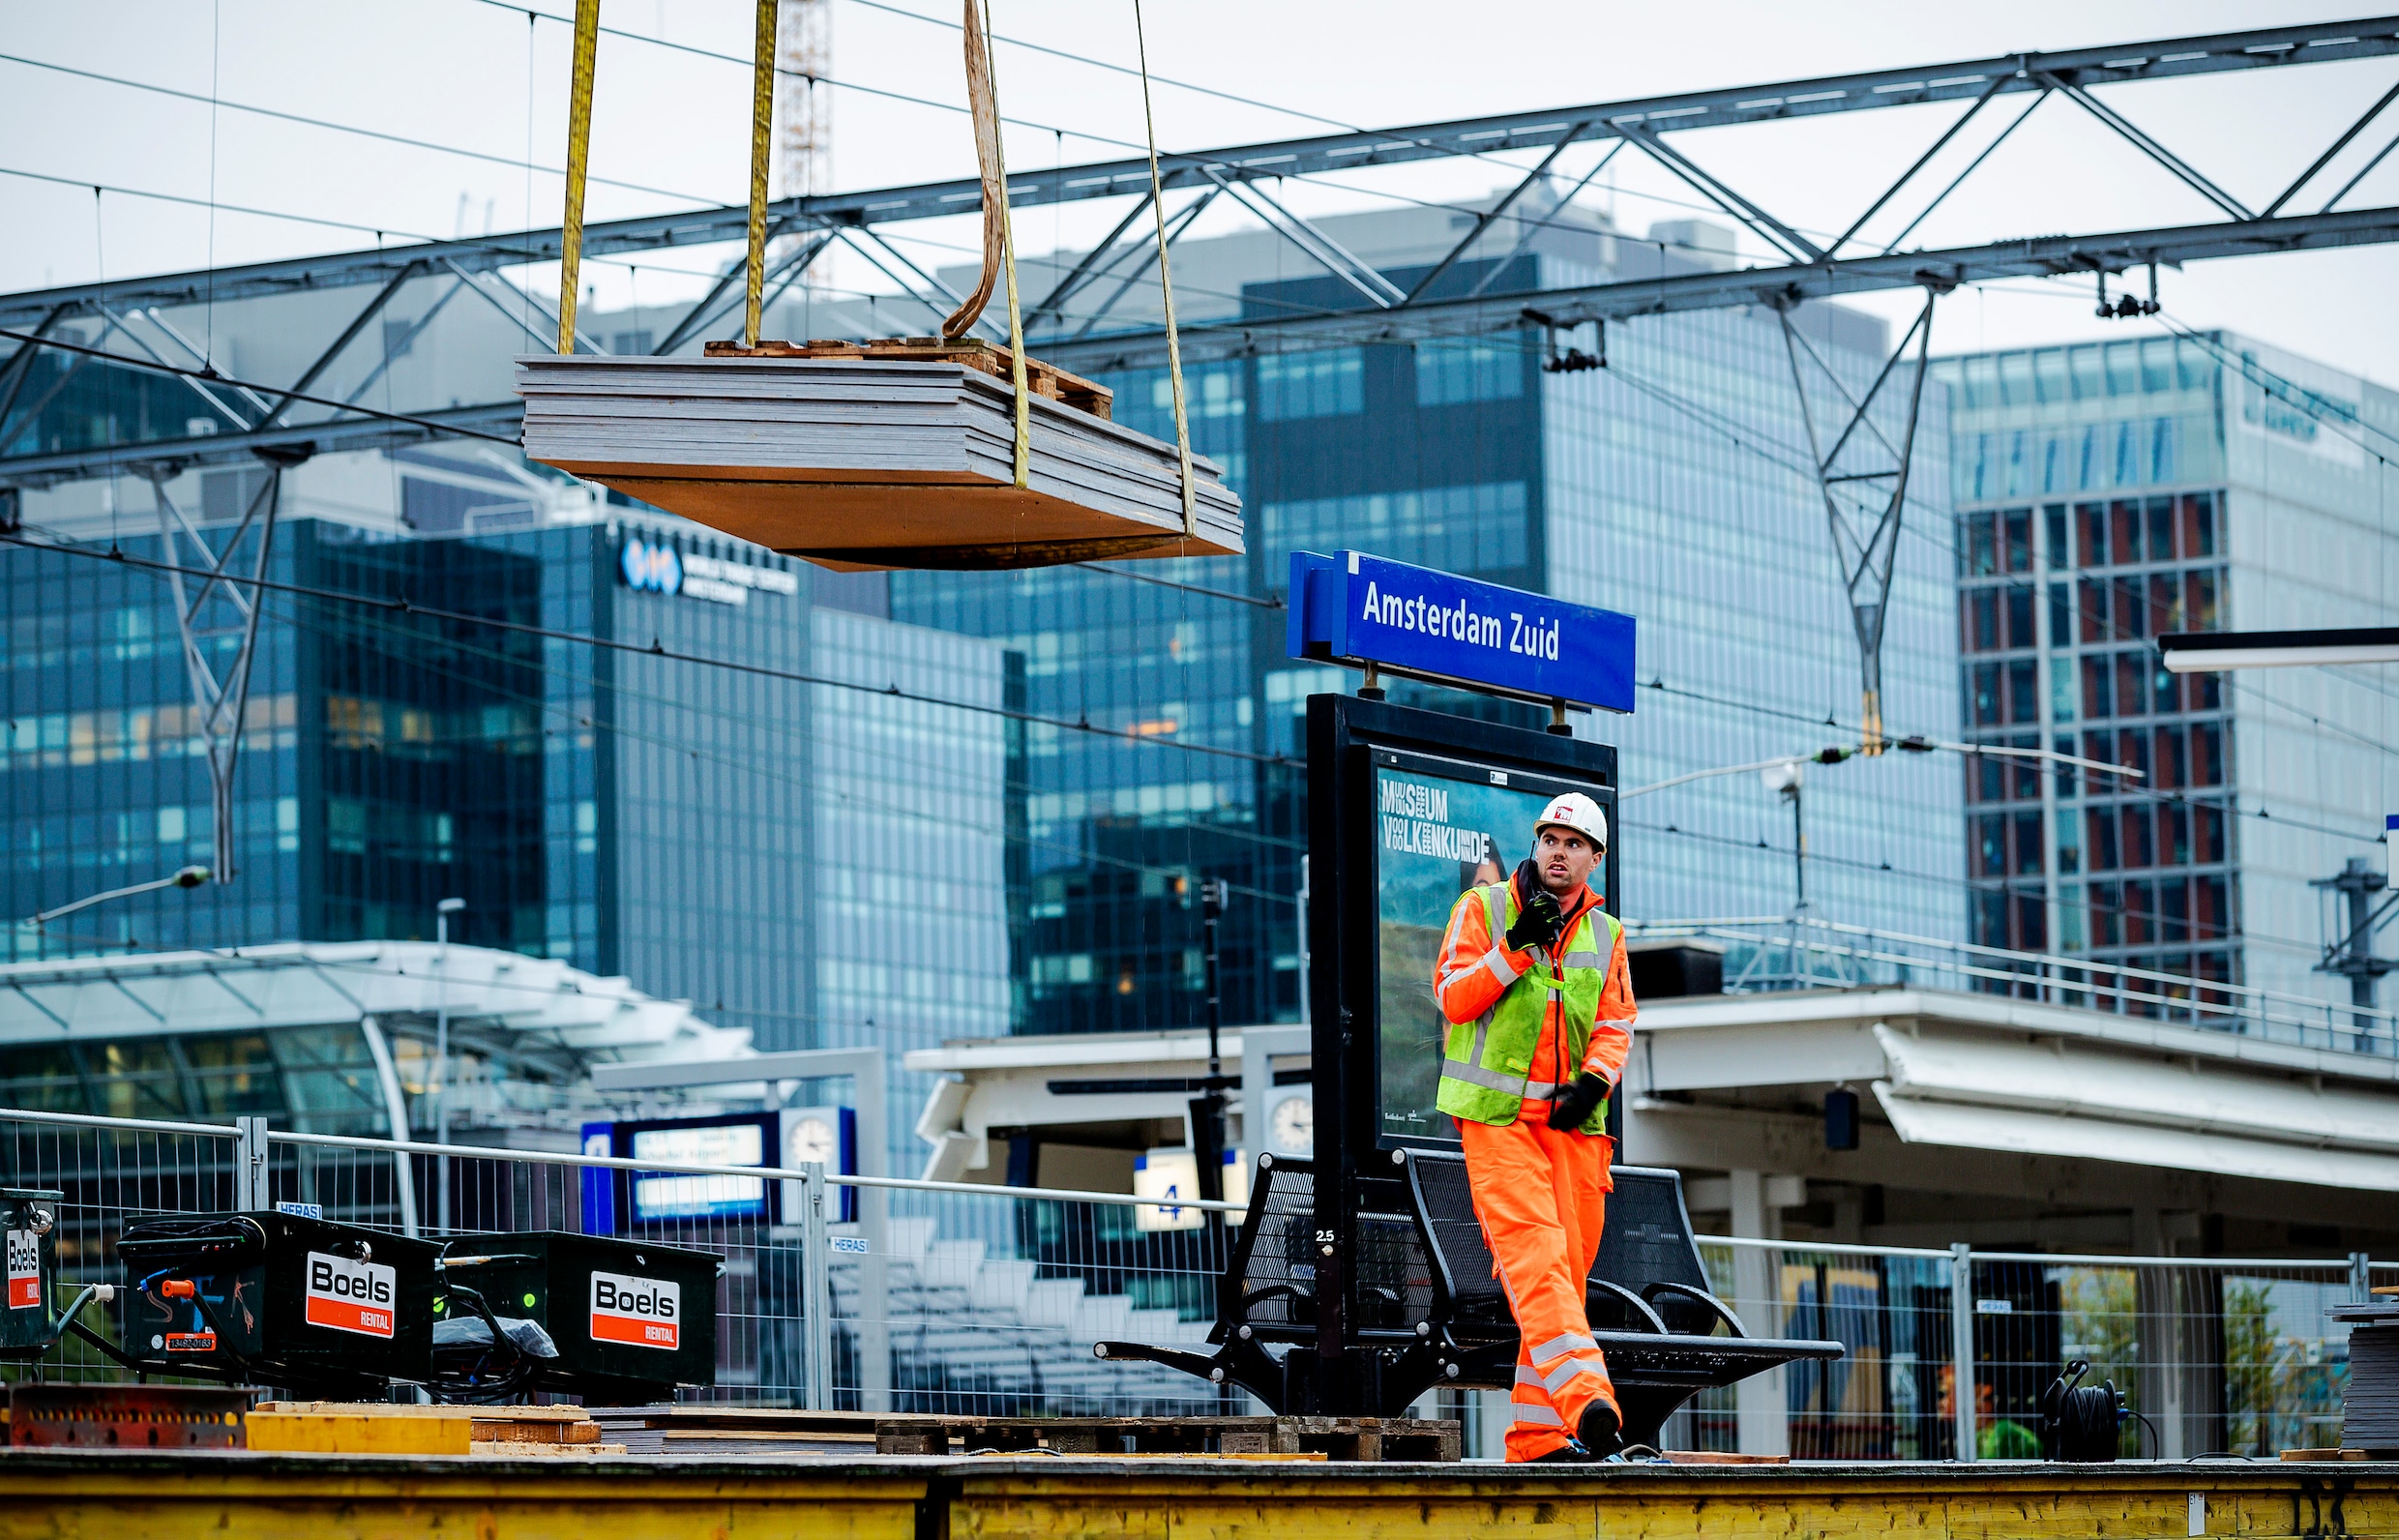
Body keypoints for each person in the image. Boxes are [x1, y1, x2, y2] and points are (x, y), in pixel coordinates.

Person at [1430, 791, 1636, 1462]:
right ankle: (1588, 1401)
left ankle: (1538, 1439)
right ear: (1536, 845)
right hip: (1498, 1123)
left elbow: (1615, 1024)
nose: (1559, 850)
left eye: (1574, 844)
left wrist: (1595, 1082)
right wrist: (1515, 950)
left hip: (1575, 1129)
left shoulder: (1607, 935)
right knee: (1540, 1265)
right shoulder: (1485, 909)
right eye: (1550, 838)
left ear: (1594, 860)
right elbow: (1453, 997)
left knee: (1562, 1283)